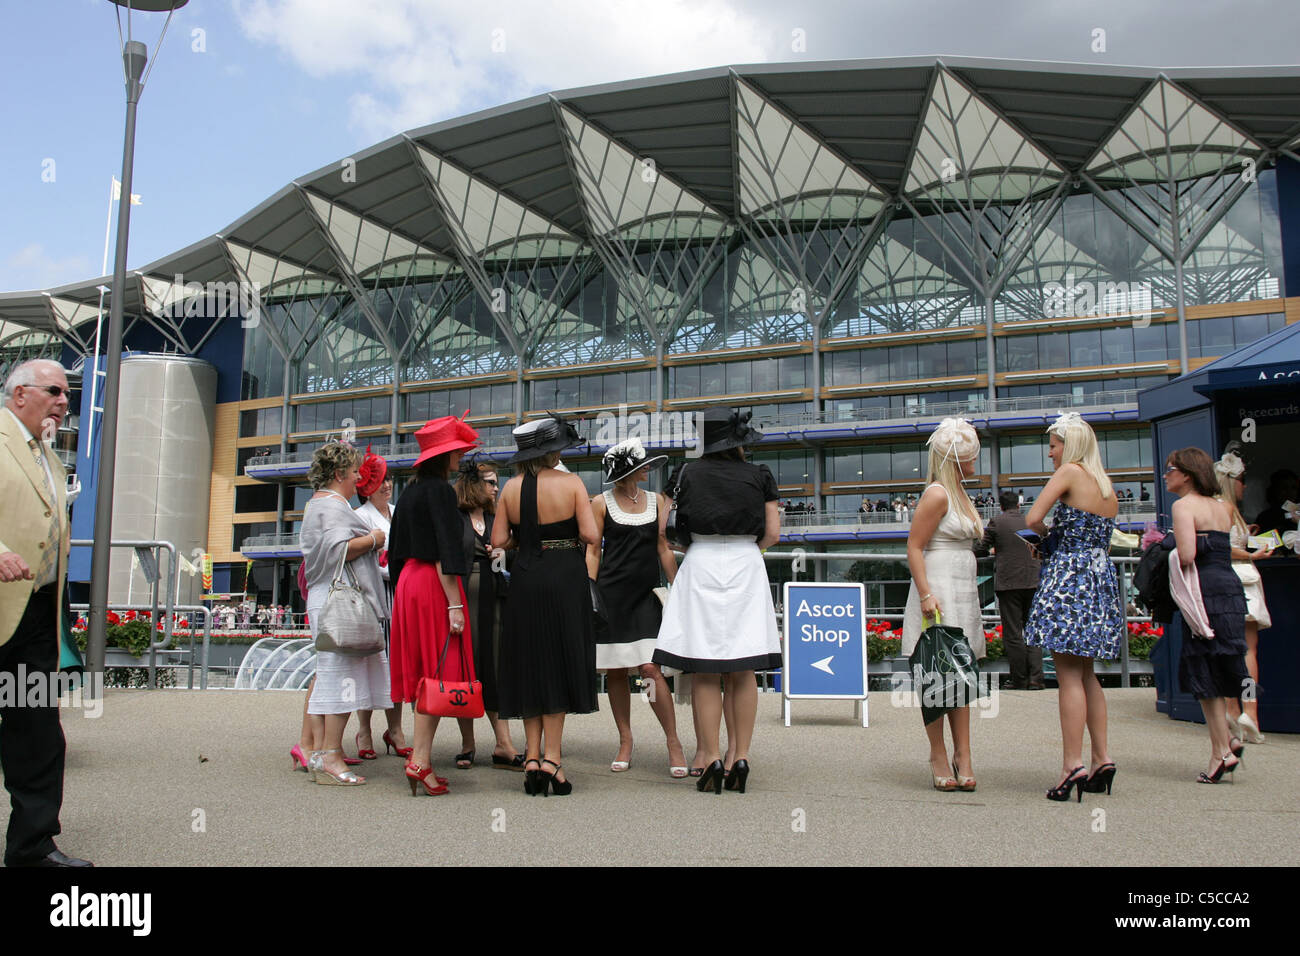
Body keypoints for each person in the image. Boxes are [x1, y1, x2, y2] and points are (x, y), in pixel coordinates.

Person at [653, 407, 781, 795]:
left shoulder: (686, 473)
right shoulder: (761, 475)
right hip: (746, 562)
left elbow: (666, 530)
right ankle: (739, 756)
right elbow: (773, 534)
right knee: (743, 668)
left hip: (702, 562)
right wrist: (744, 549)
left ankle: (708, 757)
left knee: (705, 668)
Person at [0, 359, 90, 867]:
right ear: (20, 395)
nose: (64, 401)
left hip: (36, 614)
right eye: (56, 391)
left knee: (36, 730)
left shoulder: (49, 457)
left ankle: (32, 847)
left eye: (68, 393)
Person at [493, 416, 600, 796]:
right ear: (554, 451)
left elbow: (499, 539)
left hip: (526, 580)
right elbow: (590, 534)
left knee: (531, 663)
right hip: (564, 579)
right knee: (559, 660)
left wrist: (528, 539)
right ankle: (553, 758)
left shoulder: (509, 488)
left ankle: (533, 756)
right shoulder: (571, 483)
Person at [1023, 412, 1122, 801]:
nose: (1050, 453)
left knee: (1066, 676)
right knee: (1088, 675)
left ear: (1071, 445)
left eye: (1054, 444)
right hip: (1099, 578)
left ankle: (1072, 765)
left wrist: (1042, 541)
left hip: (1068, 577)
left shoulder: (1069, 474)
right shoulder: (1106, 484)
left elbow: (1032, 518)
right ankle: (1102, 758)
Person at [388, 416, 481, 796]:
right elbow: (446, 551)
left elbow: (394, 552)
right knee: (439, 671)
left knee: (423, 674)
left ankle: (421, 757)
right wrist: (454, 605)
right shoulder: (442, 493)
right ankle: (420, 761)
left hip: (408, 582)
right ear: (445, 456)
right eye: (457, 451)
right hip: (432, 585)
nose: (461, 456)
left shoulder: (408, 492)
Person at [587, 438, 685, 777]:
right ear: (629, 471)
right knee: (615, 669)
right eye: (642, 465)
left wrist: (680, 586)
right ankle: (625, 740)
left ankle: (673, 741)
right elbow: (594, 550)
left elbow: (663, 548)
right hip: (610, 595)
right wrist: (590, 591)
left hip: (645, 595)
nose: (648, 470)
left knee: (649, 669)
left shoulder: (657, 501)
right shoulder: (600, 503)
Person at [299, 441, 392, 786]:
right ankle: (330, 755)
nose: (358, 479)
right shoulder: (334, 506)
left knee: (333, 674)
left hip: (326, 596)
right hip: (338, 600)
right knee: (341, 676)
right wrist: (374, 538)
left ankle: (321, 750)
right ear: (339, 474)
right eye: (354, 472)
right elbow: (341, 550)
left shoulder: (318, 504)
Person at [901, 418, 985, 793]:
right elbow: (914, 546)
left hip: (963, 584)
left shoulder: (960, 492)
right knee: (937, 671)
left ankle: (963, 754)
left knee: (961, 672)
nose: (975, 462)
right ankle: (939, 753)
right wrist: (924, 594)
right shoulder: (937, 494)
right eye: (969, 456)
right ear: (955, 459)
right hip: (938, 584)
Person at [1165, 447, 1249, 783]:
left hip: (1202, 591)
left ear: (1186, 473)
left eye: (1171, 469)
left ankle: (1220, 752)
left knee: (1203, 671)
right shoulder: (1222, 506)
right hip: (1228, 588)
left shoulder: (1183, 506)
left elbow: (1185, 554)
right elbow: (1224, 547)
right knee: (1222, 665)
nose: (1166, 474)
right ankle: (1225, 741)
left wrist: (1165, 549)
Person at [454, 459, 524, 771]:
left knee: (496, 668)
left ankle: (503, 744)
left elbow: (517, 547)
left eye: (497, 482)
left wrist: (504, 553)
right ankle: (468, 744)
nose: (496, 488)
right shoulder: (455, 517)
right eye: (490, 482)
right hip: (464, 597)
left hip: (496, 597)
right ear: (473, 484)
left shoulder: (498, 516)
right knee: (467, 667)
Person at [352, 450, 411, 762]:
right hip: (372, 592)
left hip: (398, 590)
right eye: (379, 481)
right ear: (366, 486)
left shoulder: (397, 510)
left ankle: (396, 728)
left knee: (396, 660)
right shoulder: (360, 517)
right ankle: (364, 729)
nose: (387, 485)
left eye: (388, 479)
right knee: (370, 659)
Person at [1213, 448, 1272, 744]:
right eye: (1241, 480)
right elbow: (1222, 546)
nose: (1245, 486)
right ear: (1231, 481)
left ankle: (1234, 712)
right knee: (1248, 651)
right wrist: (1251, 553)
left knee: (1229, 650)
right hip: (1244, 578)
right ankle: (1250, 712)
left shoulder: (1223, 509)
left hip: (1228, 581)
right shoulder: (1227, 509)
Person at [976, 490, 1044, 690]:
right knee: (1033, 631)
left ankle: (1019, 679)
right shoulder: (1030, 521)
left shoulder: (997, 522)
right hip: (1033, 580)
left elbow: (980, 548)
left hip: (1009, 584)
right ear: (1018, 505)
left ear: (1001, 506)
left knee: (1013, 633)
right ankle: (1036, 679)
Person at [1253, 469, 1299, 535]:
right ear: (1275, 490)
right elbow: (1259, 541)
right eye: (1284, 488)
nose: (1290, 492)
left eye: (1293, 488)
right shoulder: (1265, 517)